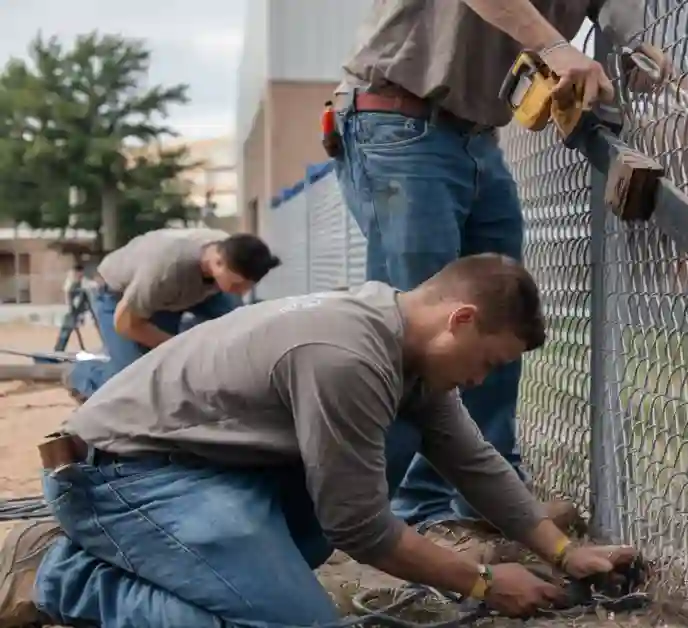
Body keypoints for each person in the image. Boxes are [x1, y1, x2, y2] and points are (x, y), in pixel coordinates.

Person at [0, 253, 638, 627]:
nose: (482, 378)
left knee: (405, 433)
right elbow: (360, 529)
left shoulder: (404, 348)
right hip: (118, 477)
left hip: (204, 473)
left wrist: (561, 552)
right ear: (460, 319)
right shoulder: (348, 356)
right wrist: (479, 582)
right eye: (489, 362)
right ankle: (67, 577)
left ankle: (195, 562)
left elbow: (472, 459)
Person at [332, 0, 672, 551]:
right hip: (398, 116)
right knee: (423, 330)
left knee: (498, 316)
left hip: (476, 135)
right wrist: (557, 46)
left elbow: (613, 13)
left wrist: (635, 47)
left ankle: (488, 502)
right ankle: (416, 512)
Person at [66, 228, 281, 402]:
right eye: (237, 285)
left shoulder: (233, 251)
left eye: (247, 286)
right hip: (118, 296)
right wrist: (178, 346)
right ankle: (83, 373)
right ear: (217, 263)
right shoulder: (166, 271)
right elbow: (125, 324)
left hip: (186, 291)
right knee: (136, 380)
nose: (241, 292)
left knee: (237, 332)